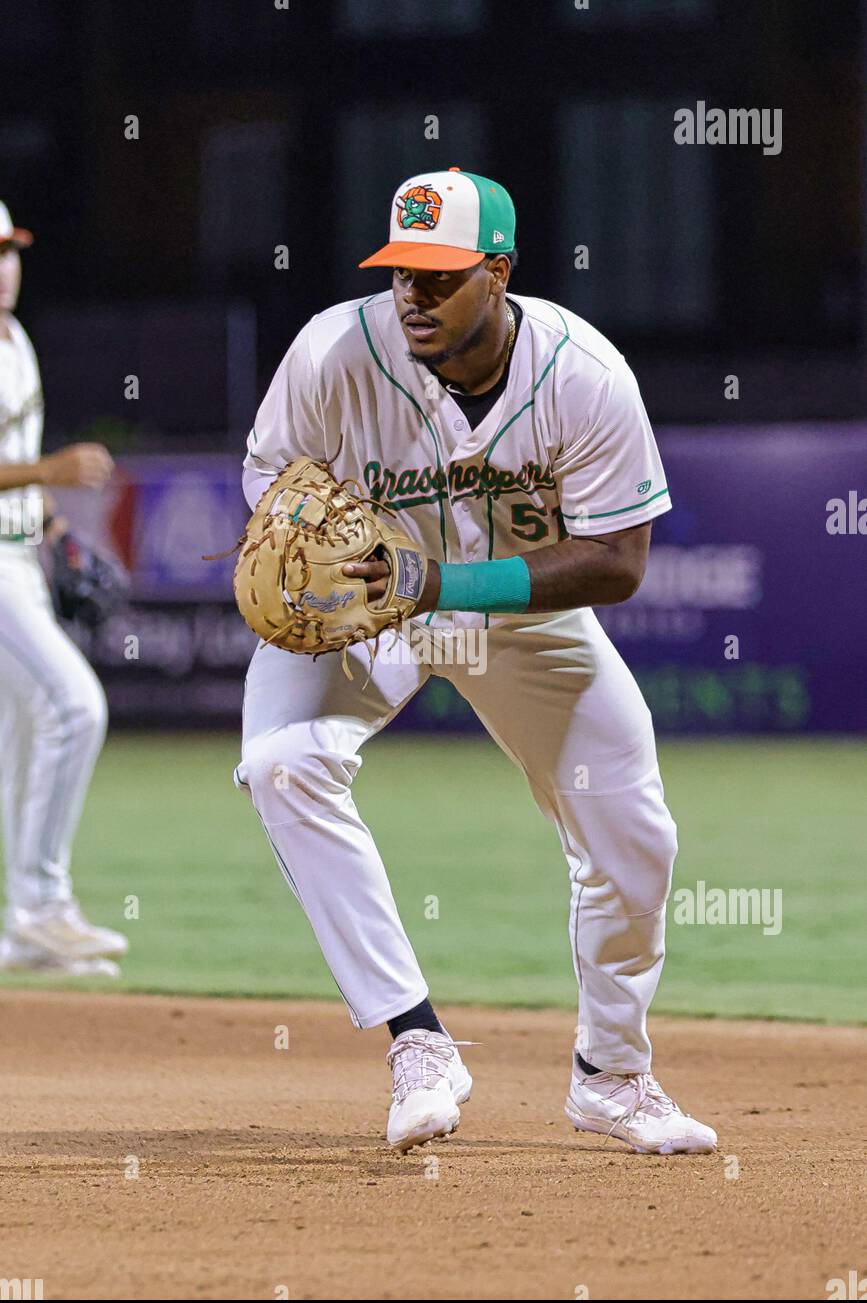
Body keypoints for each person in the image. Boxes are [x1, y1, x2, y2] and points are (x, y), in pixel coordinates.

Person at [235, 169, 716, 1155]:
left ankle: (614, 1078)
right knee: (283, 762)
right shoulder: (335, 351)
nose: (412, 294)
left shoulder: (583, 373)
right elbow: (272, 480)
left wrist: (443, 586)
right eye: (401, 272)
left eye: (440, 276)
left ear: (498, 273)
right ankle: (417, 1040)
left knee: (635, 833)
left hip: (507, 609)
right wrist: (315, 542)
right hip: (377, 605)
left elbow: (617, 562)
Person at [0, 200, 128, 977]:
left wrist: (50, 524)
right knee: (76, 707)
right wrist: (48, 474)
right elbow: (30, 458)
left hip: (19, 556)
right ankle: (44, 905)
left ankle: (21, 931)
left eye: (10, 251)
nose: (5, 266)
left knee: (19, 742)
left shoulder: (15, 340)